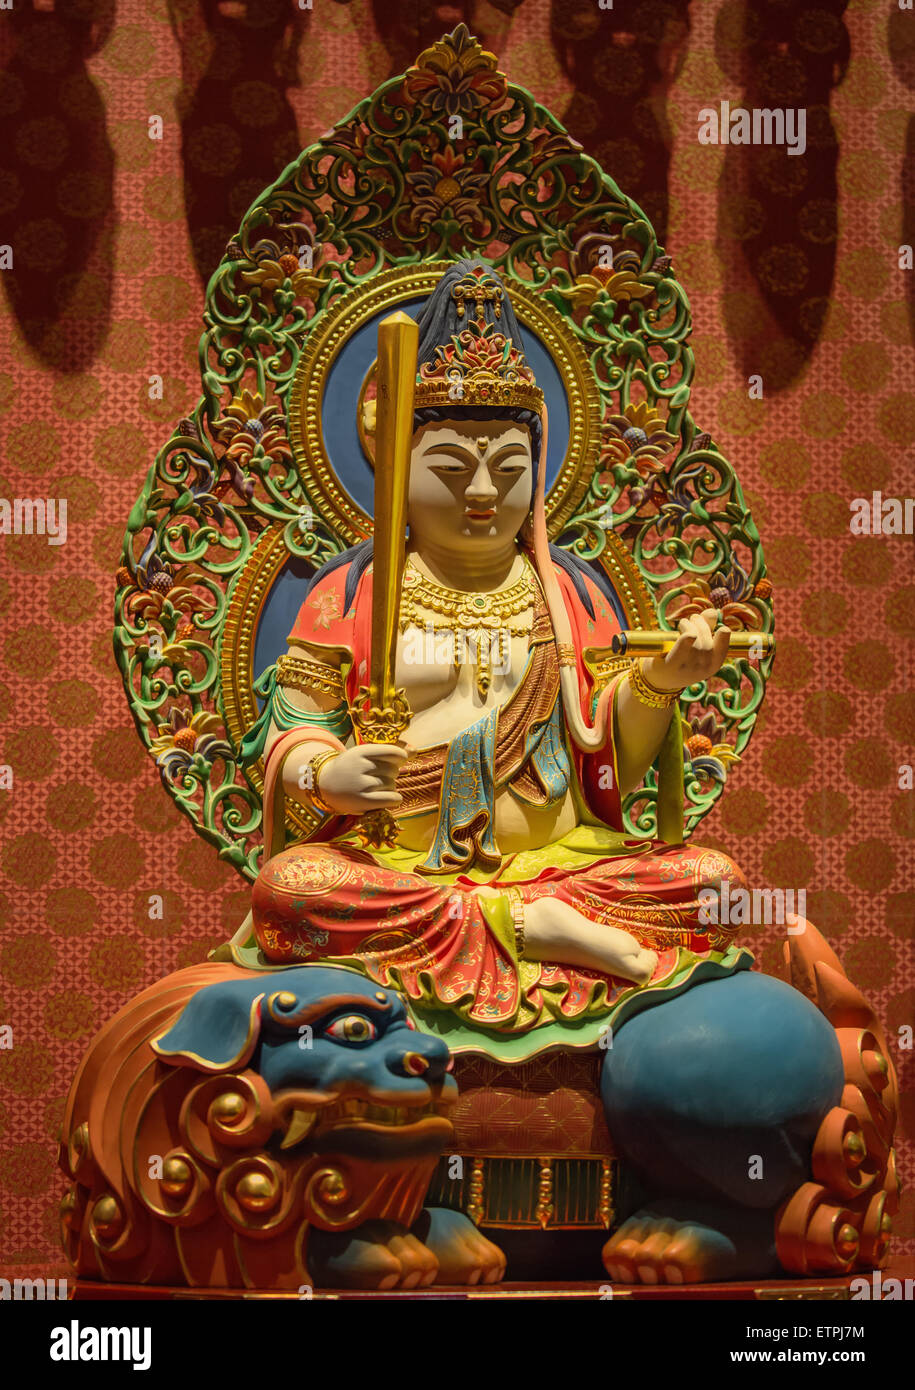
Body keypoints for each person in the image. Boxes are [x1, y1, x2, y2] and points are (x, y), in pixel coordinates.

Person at [231, 260, 753, 1058]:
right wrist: (321, 772)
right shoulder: (354, 591)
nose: (482, 492)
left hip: (561, 863)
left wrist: (659, 683)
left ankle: (527, 921)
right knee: (292, 892)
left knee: (716, 888)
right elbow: (297, 726)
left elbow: (605, 761)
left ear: (538, 480)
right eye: (450, 468)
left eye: (508, 471)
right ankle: (528, 930)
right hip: (403, 869)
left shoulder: (566, 594)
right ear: (397, 474)